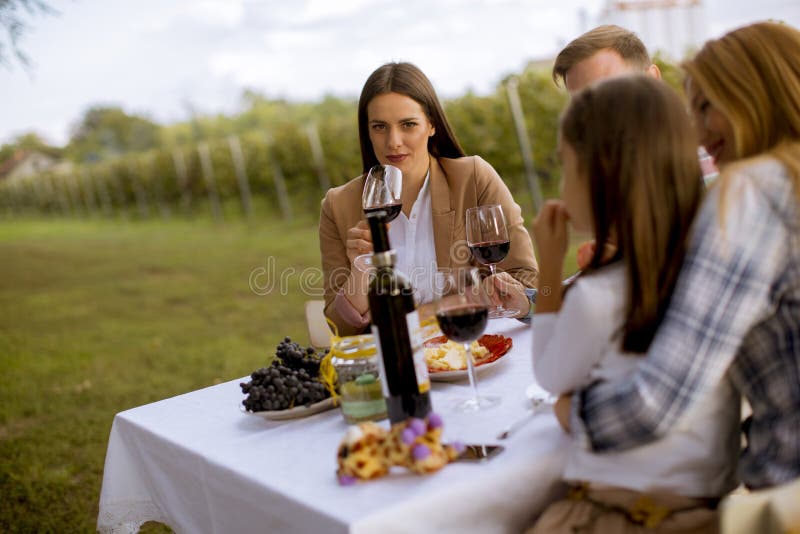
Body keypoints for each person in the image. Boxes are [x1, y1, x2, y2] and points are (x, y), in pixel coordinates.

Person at [556, 20, 800, 493]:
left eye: (709, 106)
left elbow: (653, 406)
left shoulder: (750, 192)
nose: (700, 131)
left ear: (756, 94)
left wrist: (569, 409)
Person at [526, 75, 733, 533]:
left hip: (616, 515)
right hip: (709, 511)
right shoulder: (711, 271)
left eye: (565, 164)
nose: (561, 182)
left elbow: (549, 375)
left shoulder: (599, 297)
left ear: (602, 173)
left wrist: (549, 263)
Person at [319, 62, 538, 336]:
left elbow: (528, 283)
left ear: (432, 124)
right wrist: (360, 271)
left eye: (408, 124)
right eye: (379, 127)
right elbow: (337, 330)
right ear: (367, 131)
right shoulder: (338, 205)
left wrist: (422, 315)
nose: (393, 141)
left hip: (473, 351)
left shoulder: (473, 178)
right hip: (397, 365)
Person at [492, 24, 665, 317]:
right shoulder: (616, 180)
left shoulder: (700, 176)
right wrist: (529, 302)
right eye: (583, 104)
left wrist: (550, 265)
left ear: (652, 79)